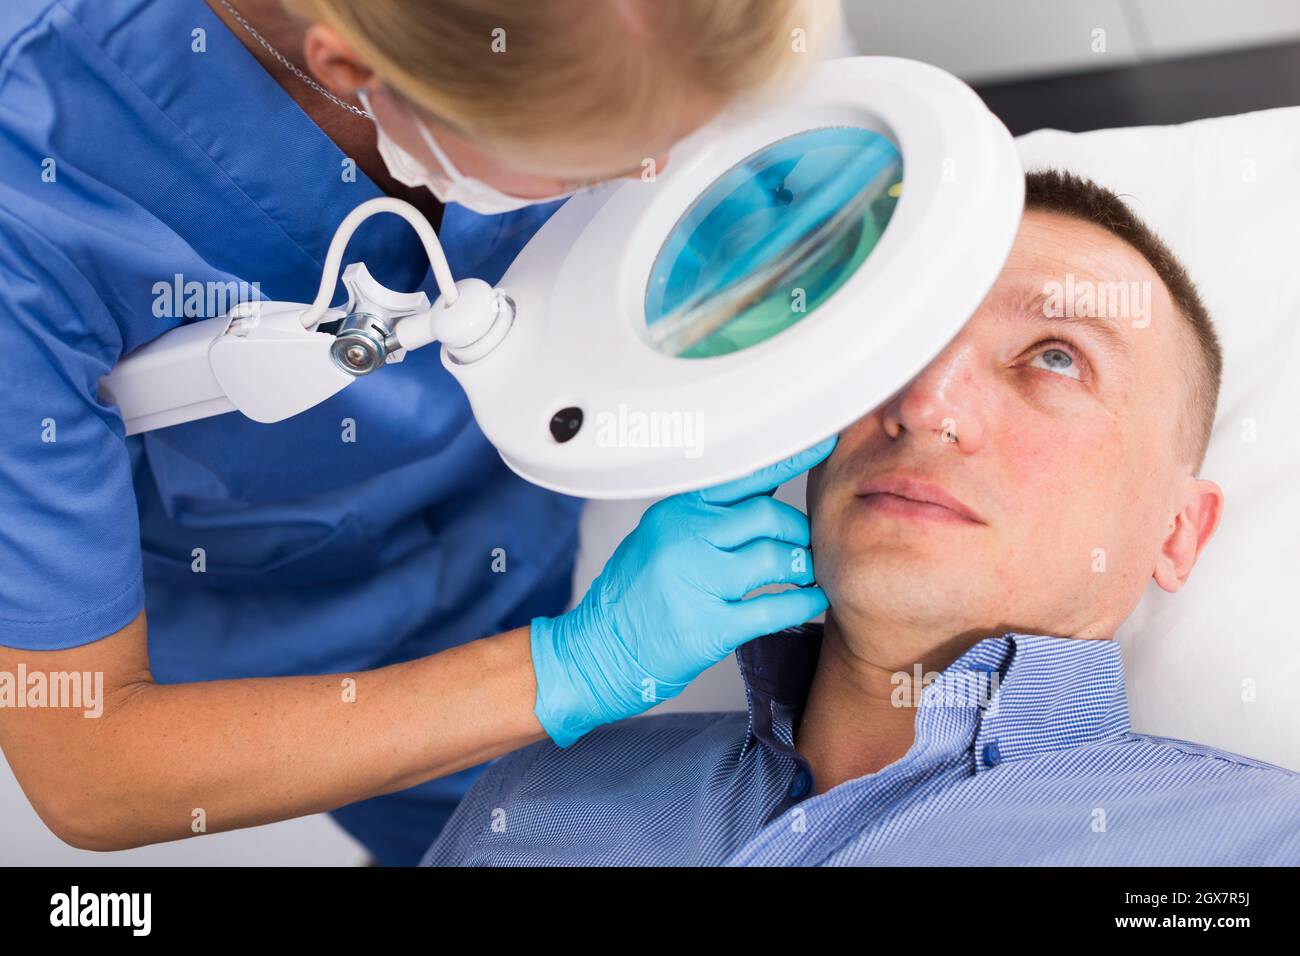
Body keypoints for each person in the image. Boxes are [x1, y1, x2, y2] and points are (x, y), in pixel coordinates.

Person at [0, 0, 836, 865]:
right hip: (315, 633)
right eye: (596, 154)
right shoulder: (31, 171)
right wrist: (576, 668)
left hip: (519, 523)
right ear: (352, 75)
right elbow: (88, 769)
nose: (658, 168)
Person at [422, 170, 1300, 866]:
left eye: (1056, 356)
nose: (924, 404)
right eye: (903, 345)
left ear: (1180, 533)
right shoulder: (535, 802)